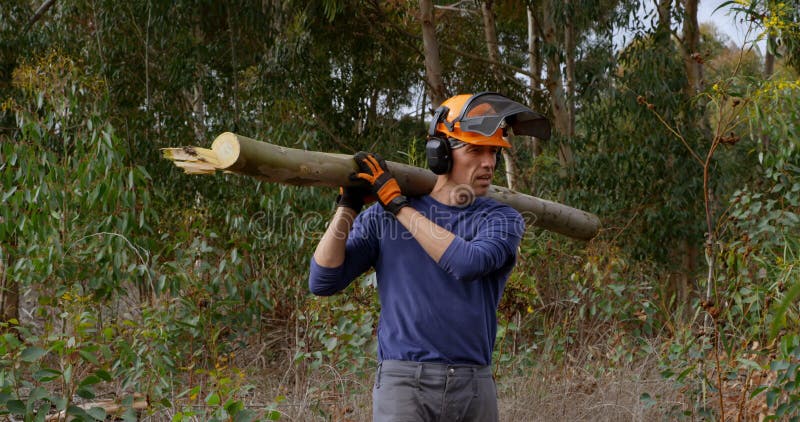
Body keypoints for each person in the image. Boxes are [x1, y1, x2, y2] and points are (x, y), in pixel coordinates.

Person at [308, 92, 551, 421]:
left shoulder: (501, 219)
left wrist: (397, 206)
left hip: (473, 386)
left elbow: (467, 263)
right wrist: (347, 207)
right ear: (440, 153)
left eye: (493, 151)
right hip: (403, 386)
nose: (488, 163)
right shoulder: (383, 218)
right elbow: (323, 280)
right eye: (475, 150)